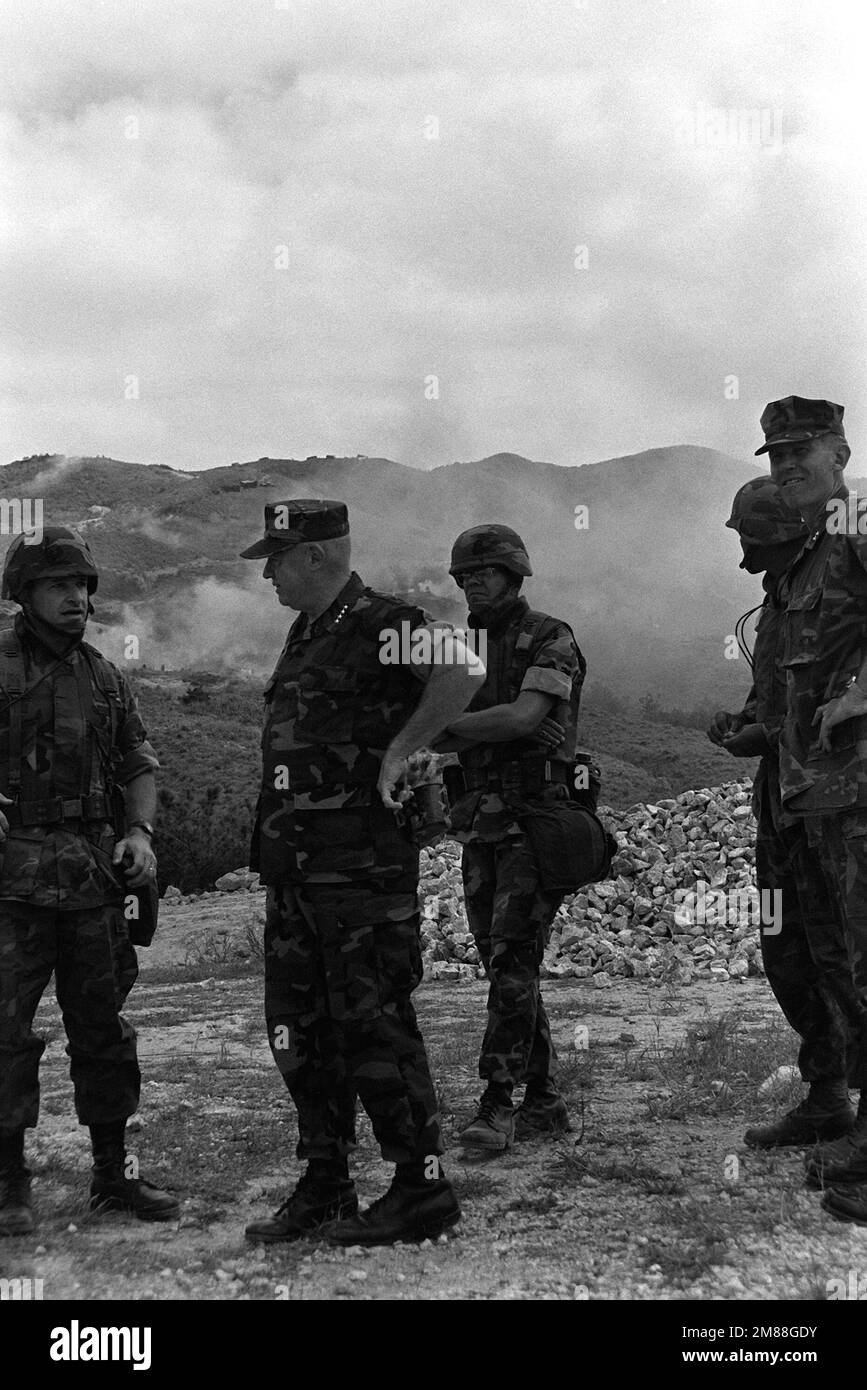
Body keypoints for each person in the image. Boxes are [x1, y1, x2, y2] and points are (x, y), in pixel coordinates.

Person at [240, 499, 485, 1246]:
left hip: (360, 874)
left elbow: (465, 668)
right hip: (297, 874)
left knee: (373, 1027)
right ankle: (325, 1180)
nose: (269, 574)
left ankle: (420, 1188)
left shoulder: (382, 621)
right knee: (298, 1031)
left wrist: (402, 746)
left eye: (276, 558)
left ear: (315, 557)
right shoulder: (307, 631)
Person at [0, 528, 177, 1237]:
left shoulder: (105, 676)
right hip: (10, 883)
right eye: (58, 586)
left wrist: (139, 834)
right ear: (24, 595)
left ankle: (114, 1177)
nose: (76, 598)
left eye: (82, 586)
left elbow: (138, 761)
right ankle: (9, 1186)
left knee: (104, 1033)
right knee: (5, 1037)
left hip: (93, 881)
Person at [708, 477, 862, 1148]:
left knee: (844, 956)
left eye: (749, 533)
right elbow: (771, 708)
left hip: (834, 797)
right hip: (781, 798)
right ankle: (824, 1095)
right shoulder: (774, 601)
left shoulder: (840, 575)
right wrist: (742, 731)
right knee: (788, 952)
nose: (741, 545)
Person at [434, 524, 587, 1151]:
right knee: (505, 963)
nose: (473, 584)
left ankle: (497, 1103)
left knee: (514, 962)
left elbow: (526, 716)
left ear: (514, 575)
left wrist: (457, 727)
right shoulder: (459, 651)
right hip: (480, 823)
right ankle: (544, 1099)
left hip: (534, 821)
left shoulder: (551, 636)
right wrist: (479, 729)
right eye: (465, 576)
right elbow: (439, 731)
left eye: (484, 574)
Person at [752, 397, 867, 1226]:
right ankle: (834, 1104)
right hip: (802, 794)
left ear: (840, 452)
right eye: (774, 456)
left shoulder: (859, 526)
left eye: (801, 452)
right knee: (816, 958)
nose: (786, 465)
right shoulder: (800, 560)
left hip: (855, 790)